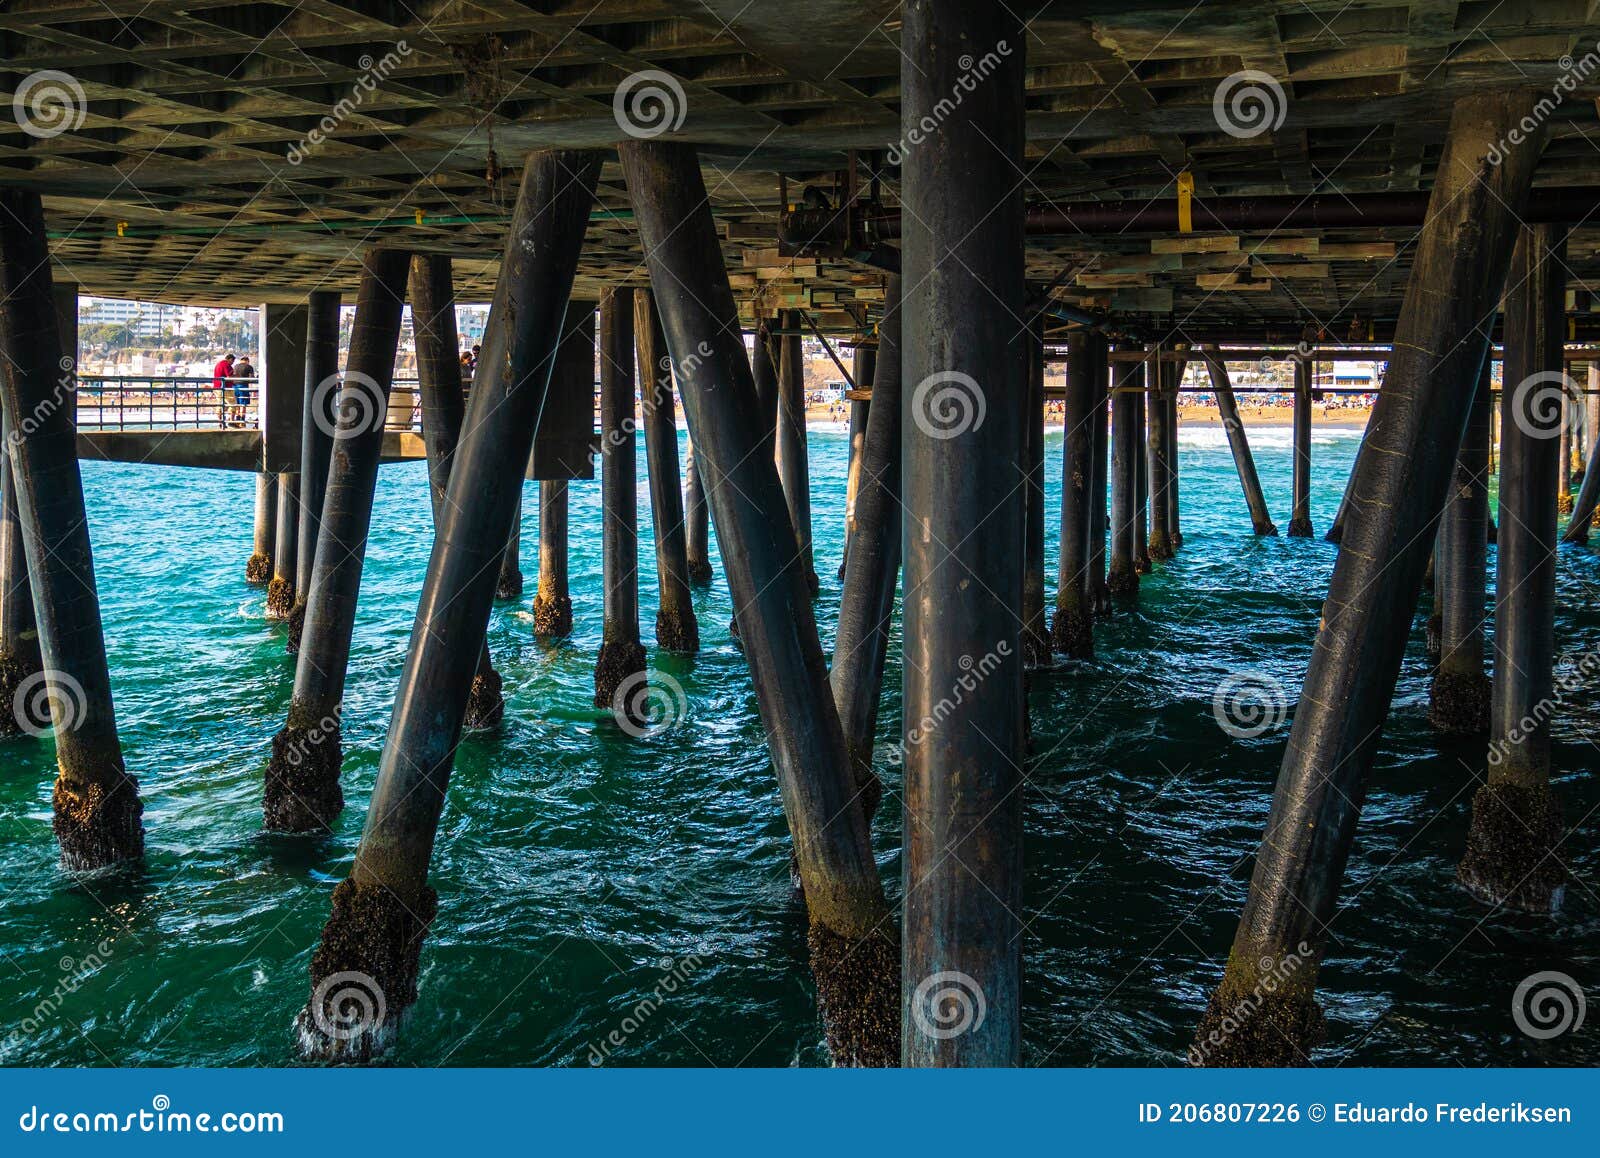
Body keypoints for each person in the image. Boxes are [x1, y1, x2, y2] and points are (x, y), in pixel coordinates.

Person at [230, 355, 256, 427]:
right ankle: (242, 421)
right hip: (243, 386)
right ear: (247, 361)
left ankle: (237, 420)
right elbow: (251, 378)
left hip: (234, 387)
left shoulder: (235, 366)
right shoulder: (249, 367)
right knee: (243, 405)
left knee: (237, 404)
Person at [212, 353, 236, 425]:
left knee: (220, 404)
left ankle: (220, 421)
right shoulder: (226, 365)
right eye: (232, 361)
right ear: (230, 359)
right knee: (232, 403)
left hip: (216, 387)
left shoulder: (218, 364)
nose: (232, 363)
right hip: (226, 387)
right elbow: (228, 377)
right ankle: (231, 421)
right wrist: (235, 376)